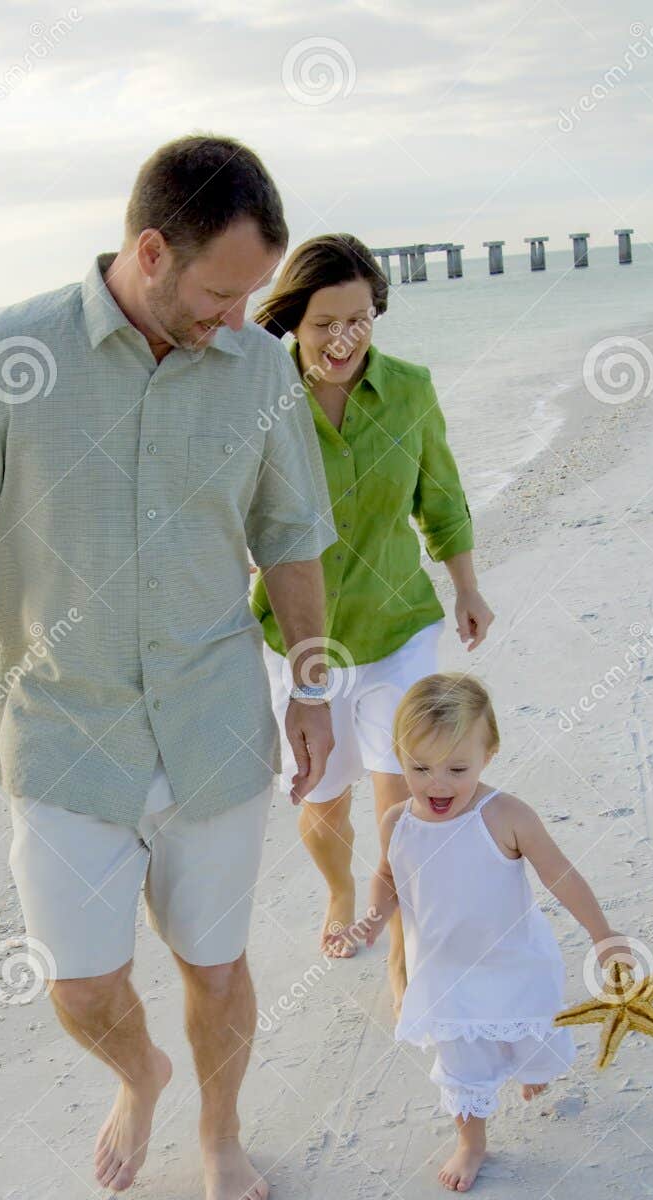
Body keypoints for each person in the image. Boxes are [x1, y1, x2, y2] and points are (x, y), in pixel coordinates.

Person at [0, 135, 339, 1200]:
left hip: (212, 720)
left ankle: (221, 1132)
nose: (242, 316)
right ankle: (141, 1076)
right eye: (224, 291)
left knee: (214, 965)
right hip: (60, 733)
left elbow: (291, 538)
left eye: (255, 294)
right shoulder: (5, 356)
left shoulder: (259, 368)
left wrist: (314, 689)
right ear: (149, 251)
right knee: (82, 988)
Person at [250, 235, 494, 1005]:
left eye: (358, 319)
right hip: (300, 646)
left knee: (406, 800)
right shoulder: (258, 401)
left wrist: (465, 588)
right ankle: (336, 894)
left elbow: (441, 498)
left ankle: (400, 948)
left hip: (398, 631)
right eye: (324, 322)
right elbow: (223, 517)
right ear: (293, 321)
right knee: (321, 801)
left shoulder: (412, 390)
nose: (342, 338)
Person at [357, 674, 630, 1192]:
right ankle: (471, 1143)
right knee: (461, 1062)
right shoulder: (398, 821)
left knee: (532, 1045)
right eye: (419, 768)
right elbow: (389, 876)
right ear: (399, 757)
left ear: (489, 753)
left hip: (515, 965)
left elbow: (560, 873)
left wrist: (603, 933)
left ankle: (531, 1068)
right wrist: (372, 917)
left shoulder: (503, 815)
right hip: (445, 975)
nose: (438, 784)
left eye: (457, 769)